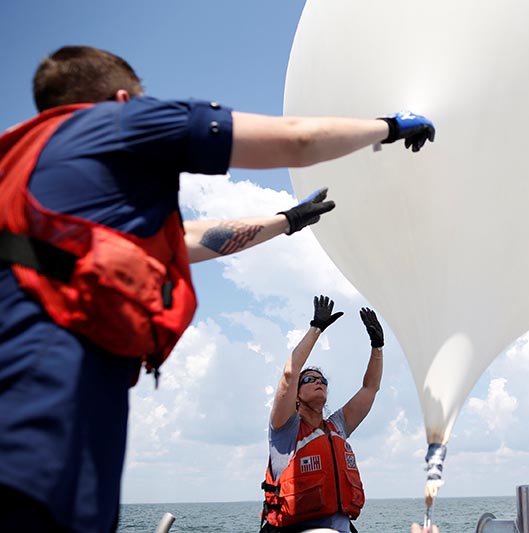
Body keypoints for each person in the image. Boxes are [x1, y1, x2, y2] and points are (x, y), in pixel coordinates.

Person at [0, 45, 435, 533]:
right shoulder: (119, 122)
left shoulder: (19, 168)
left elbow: (188, 239)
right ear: (122, 99)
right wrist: (391, 126)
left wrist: (287, 220)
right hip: (54, 402)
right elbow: (298, 139)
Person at [261, 295, 385, 533]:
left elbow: (370, 388)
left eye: (323, 381)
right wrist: (316, 328)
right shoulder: (285, 429)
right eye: (310, 380)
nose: (319, 382)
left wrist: (377, 346)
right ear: (296, 395)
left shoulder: (338, 426)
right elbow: (290, 374)